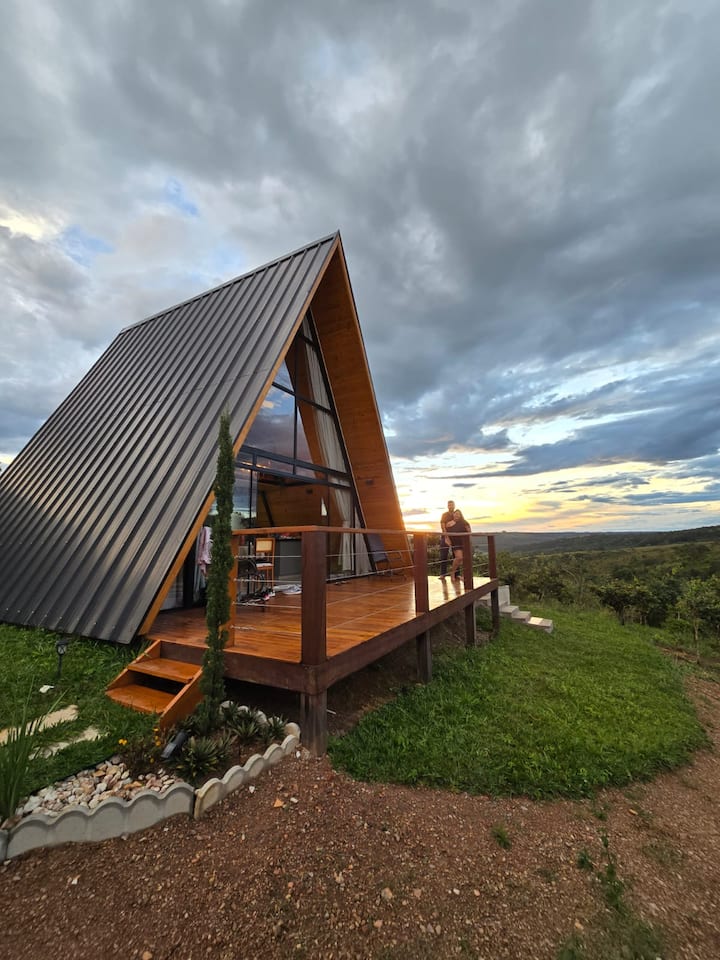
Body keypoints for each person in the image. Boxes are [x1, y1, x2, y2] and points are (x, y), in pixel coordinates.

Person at [447, 508, 471, 581]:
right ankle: (452, 573)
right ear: (453, 514)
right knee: (459, 557)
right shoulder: (449, 523)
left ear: (461, 515)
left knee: (464, 560)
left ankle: (463, 576)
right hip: (455, 542)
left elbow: (469, 532)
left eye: (458, 514)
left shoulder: (464, 522)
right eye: (456, 513)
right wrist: (447, 539)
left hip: (464, 542)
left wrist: (469, 541)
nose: (457, 515)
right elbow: (446, 533)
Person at [439, 499, 455, 578]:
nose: (450, 506)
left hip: (455, 538)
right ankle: (443, 574)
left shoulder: (456, 514)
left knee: (456, 556)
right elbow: (443, 526)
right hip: (445, 537)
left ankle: (456, 574)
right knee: (443, 556)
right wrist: (446, 537)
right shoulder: (444, 515)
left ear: (454, 506)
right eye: (449, 505)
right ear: (447, 506)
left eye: (452, 505)